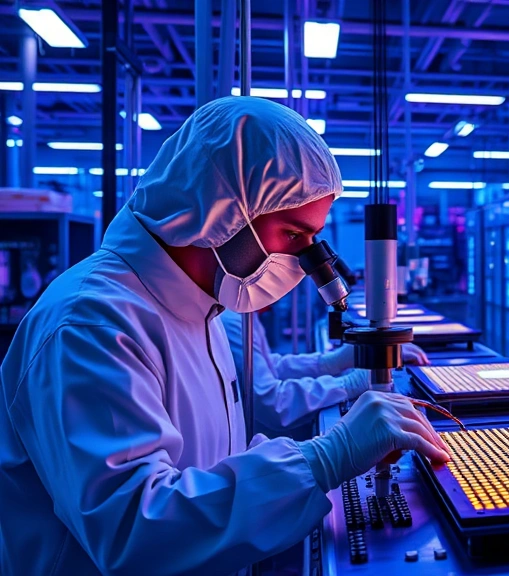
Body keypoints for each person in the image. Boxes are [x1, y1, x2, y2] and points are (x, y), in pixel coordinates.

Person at [0, 97, 449, 576]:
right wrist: (325, 458)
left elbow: (215, 458)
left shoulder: (200, 309)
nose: (302, 261)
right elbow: (134, 530)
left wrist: (329, 452)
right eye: (293, 236)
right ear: (220, 214)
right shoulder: (91, 324)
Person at [219, 307, 430, 434]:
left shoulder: (244, 315)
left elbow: (269, 366)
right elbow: (272, 402)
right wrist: (347, 384)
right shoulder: (233, 321)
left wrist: (331, 362)